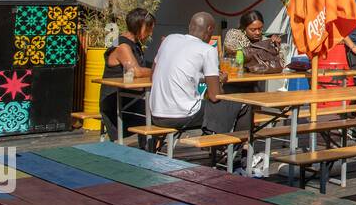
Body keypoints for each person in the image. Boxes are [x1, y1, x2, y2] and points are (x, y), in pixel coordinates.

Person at [148, 11, 249, 141]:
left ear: (190, 25)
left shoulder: (169, 39)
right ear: (210, 29)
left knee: (216, 107)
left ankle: (213, 141)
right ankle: (235, 154)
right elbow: (214, 96)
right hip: (182, 116)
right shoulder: (207, 50)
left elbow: (152, 76)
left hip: (156, 114)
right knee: (243, 105)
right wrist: (220, 81)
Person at [100, 8, 154, 140]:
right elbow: (136, 72)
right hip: (117, 102)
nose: (151, 33)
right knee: (158, 115)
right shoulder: (122, 47)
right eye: (149, 28)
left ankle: (150, 149)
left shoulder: (133, 45)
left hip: (130, 98)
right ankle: (151, 151)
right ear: (140, 27)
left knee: (160, 110)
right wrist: (160, 70)